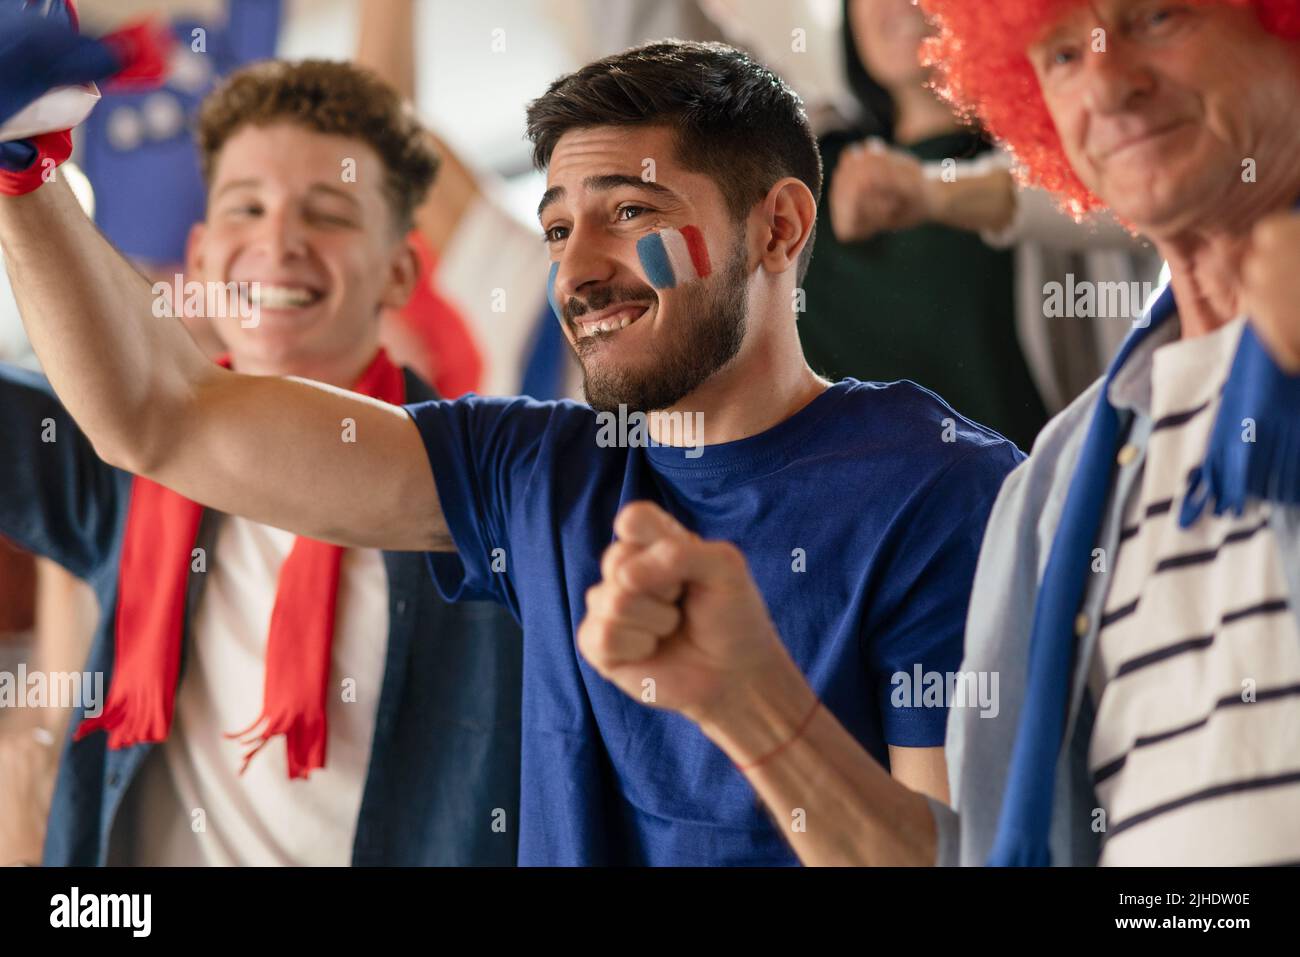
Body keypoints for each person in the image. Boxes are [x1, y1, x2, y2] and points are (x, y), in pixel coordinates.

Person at [0, 25, 1022, 864]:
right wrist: (26, 166)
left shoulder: (942, 488)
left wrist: (756, 709)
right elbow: (160, 416)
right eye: (555, 229)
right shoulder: (532, 473)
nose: (579, 271)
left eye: (631, 213)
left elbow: (976, 860)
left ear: (779, 228)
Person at [580, 0, 1300, 865]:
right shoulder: (1057, 488)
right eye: (1060, 54)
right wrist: (748, 702)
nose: (1107, 79)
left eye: (1158, 17)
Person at [0, 51, 523, 866]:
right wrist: (16, 156)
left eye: (331, 212)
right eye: (247, 207)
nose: (279, 240)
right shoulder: (123, 463)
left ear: (400, 270)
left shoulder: (495, 496)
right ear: (203, 257)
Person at [799, 0, 1048, 450]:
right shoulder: (809, 165)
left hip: (1031, 506)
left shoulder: (1058, 159)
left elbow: (1110, 202)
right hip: (867, 511)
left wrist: (930, 193)